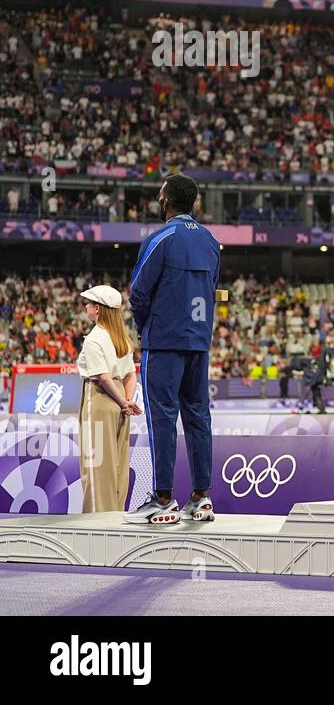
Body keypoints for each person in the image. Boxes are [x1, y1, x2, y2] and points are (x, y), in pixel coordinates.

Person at [125, 174, 221, 525]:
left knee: (162, 416)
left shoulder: (160, 238)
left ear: (166, 201)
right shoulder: (211, 241)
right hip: (199, 341)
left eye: (160, 195)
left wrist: (146, 327)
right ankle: (201, 496)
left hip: (164, 342)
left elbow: (137, 292)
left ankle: (163, 498)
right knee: (198, 416)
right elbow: (212, 286)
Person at [75, 285, 143, 512]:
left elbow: (103, 377)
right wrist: (127, 401)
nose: (86, 306)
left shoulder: (94, 339)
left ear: (99, 310)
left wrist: (124, 402)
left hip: (101, 399)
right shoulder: (122, 338)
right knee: (118, 465)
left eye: (90, 303)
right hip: (121, 399)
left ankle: (97, 520)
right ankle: (115, 515)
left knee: (97, 466)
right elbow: (130, 373)